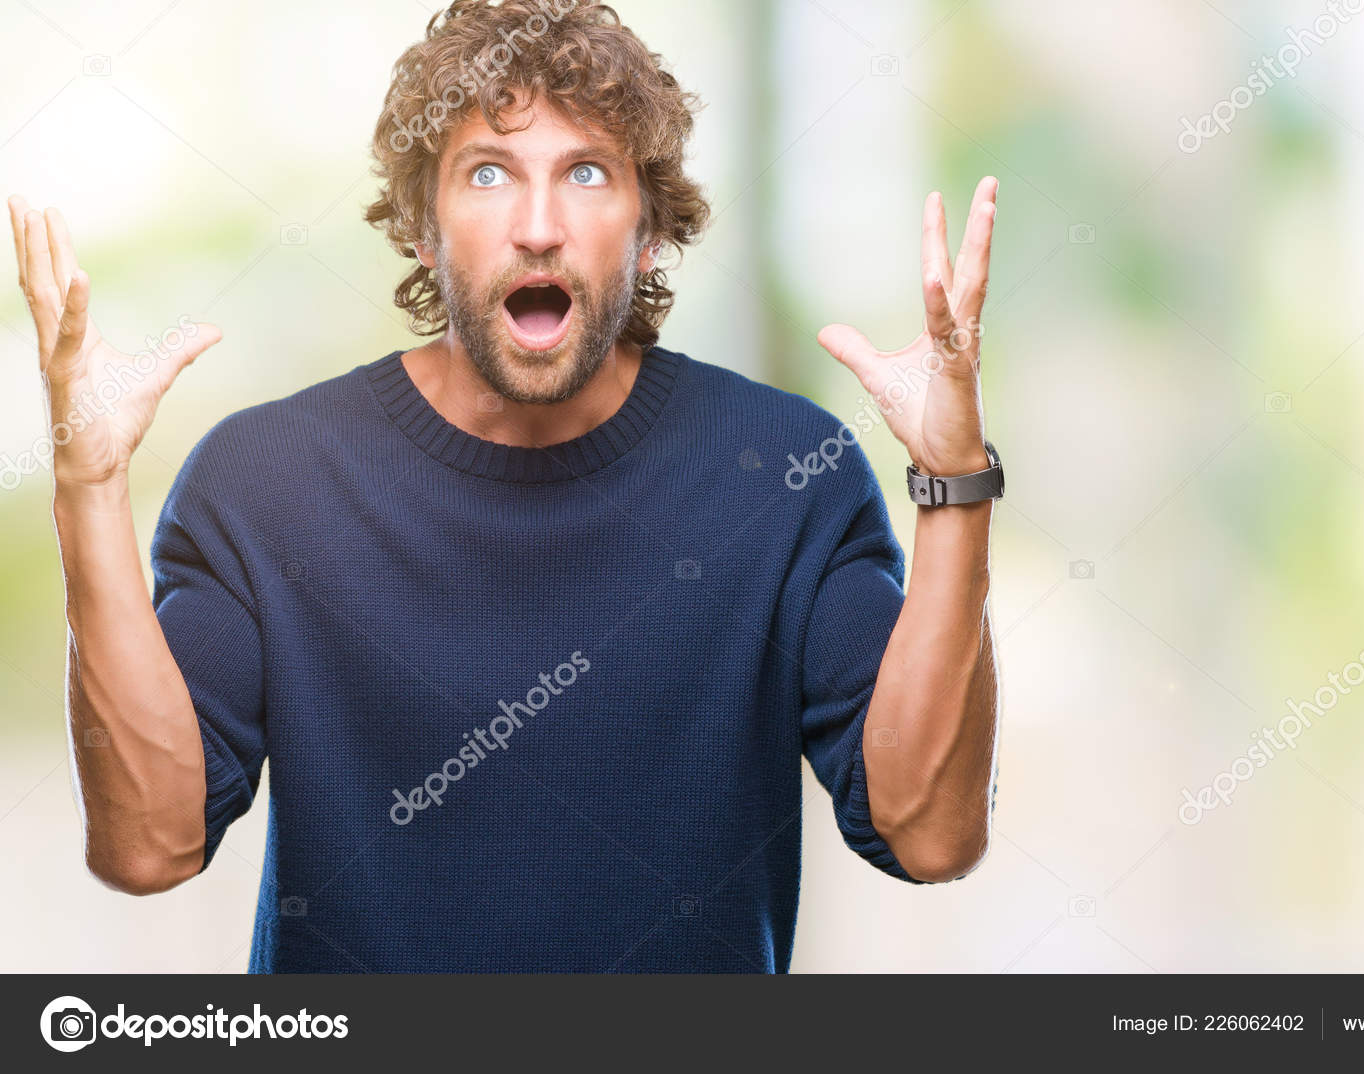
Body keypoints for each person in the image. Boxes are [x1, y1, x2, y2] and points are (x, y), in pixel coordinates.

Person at [8, 0, 1001, 973]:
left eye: (586, 173)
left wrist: (954, 484)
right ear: (423, 230)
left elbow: (930, 836)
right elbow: (149, 844)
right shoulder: (265, 482)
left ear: (649, 231)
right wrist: (88, 486)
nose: (537, 226)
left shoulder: (788, 472)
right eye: (488, 173)